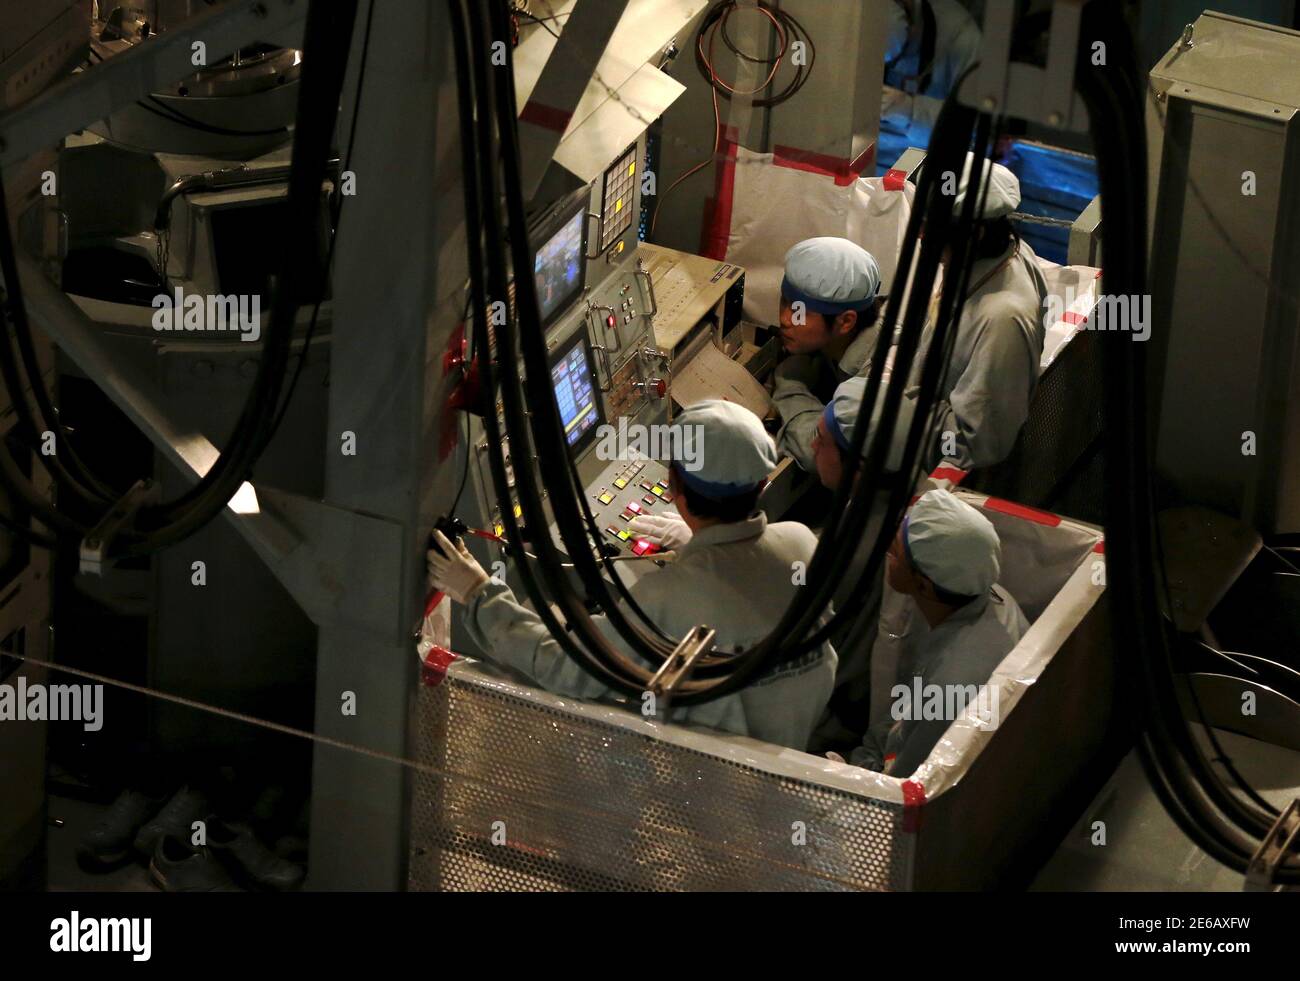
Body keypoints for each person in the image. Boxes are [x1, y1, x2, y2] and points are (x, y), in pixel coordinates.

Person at [426, 400, 837, 750]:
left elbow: (564, 666)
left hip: (717, 776)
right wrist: (698, 542)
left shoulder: (662, 599)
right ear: (763, 483)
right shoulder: (802, 542)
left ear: (674, 483)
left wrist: (480, 594)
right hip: (792, 743)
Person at [843, 488, 1028, 777]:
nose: (889, 549)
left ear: (925, 585)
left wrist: (853, 767)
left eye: (897, 551)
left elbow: (899, 784)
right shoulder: (992, 597)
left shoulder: (948, 687)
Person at [895, 153, 1049, 472]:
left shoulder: (1002, 319)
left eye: (932, 228)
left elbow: (973, 443)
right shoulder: (991, 253)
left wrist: (901, 415)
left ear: (975, 233)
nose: (921, 235)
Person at [770, 237, 883, 472]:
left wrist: (790, 382)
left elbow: (819, 454)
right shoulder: (840, 339)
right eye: (785, 302)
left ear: (846, 321)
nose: (785, 319)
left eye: (800, 312)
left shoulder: (878, 373)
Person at [877, 0, 982, 172]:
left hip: (932, 167)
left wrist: (910, 110)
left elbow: (975, 130)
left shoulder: (962, 39)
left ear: (912, 29)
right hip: (874, 161)